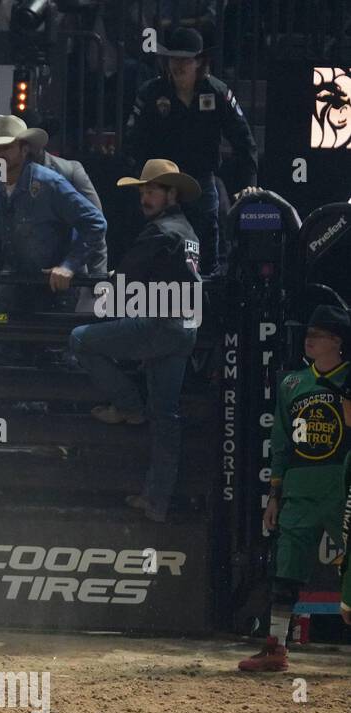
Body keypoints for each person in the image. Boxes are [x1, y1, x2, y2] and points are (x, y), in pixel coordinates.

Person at [70, 159, 202, 524]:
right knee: (166, 417)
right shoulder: (188, 231)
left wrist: (98, 281)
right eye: (143, 190)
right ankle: (156, 501)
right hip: (185, 328)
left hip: (162, 323)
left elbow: (125, 278)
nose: (144, 197)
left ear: (171, 194)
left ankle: (128, 404)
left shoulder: (161, 232)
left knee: (80, 339)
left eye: (152, 190)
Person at [241, 306, 351, 672]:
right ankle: (276, 646)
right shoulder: (292, 384)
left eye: (317, 334)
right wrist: (274, 494)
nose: (309, 339)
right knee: (286, 566)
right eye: (308, 333)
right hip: (301, 486)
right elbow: (281, 442)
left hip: (342, 483)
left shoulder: (349, 377)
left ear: (336, 341)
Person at [124, 27, 257, 276]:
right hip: (162, 183)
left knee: (206, 250)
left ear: (200, 62)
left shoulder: (217, 93)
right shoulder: (152, 93)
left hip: (201, 181)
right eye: (174, 58)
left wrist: (249, 184)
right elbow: (132, 140)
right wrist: (145, 181)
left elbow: (244, 141)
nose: (179, 65)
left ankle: (205, 303)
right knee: (158, 245)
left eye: (186, 59)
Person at [0, 114, 106, 315]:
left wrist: (69, 266)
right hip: (13, 281)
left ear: (24, 150)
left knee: (53, 343)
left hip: (56, 284)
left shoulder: (49, 183)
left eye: (6, 147)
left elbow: (95, 223)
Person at [21, 109, 107, 275]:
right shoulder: (0, 180)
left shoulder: (70, 171)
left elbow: (96, 227)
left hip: (66, 276)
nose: (28, 148)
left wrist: (97, 280)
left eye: (31, 141)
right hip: (19, 277)